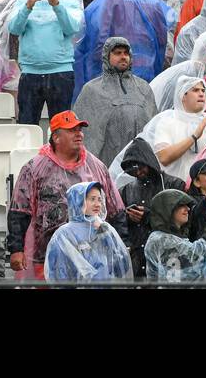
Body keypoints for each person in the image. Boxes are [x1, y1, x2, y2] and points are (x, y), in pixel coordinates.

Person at [8, 110, 125, 279]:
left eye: (80, 130)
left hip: (92, 257)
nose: (79, 134)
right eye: (71, 130)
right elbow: (19, 212)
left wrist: (122, 243)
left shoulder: (97, 166)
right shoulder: (34, 168)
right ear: (56, 137)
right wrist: (16, 249)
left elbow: (116, 209)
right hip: (45, 256)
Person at [7, 0, 86, 125]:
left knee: (61, 127)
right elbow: (14, 29)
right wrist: (28, 7)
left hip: (61, 72)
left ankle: (57, 152)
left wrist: (56, 5)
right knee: (27, 124)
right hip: (30, 72)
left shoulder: (69, 2)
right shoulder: (24, 1)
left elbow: (72, 29)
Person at [75, 37, 158, 166]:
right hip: (106, 163)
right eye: (117, 53)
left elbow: (154, 128)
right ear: (106, 57)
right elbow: (86, 137)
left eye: (126, 53)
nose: (123, 57)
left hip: (141, 165)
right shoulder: (92, 90)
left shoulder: (143, 88)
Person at [43, 180, 133, 281]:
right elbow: (58, 275)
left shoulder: (105, 229)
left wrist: (106, 235)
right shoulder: (63, 235)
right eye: (92, 199)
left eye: (99, 199)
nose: (97, 204)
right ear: (78, 200)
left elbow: (121, 268)